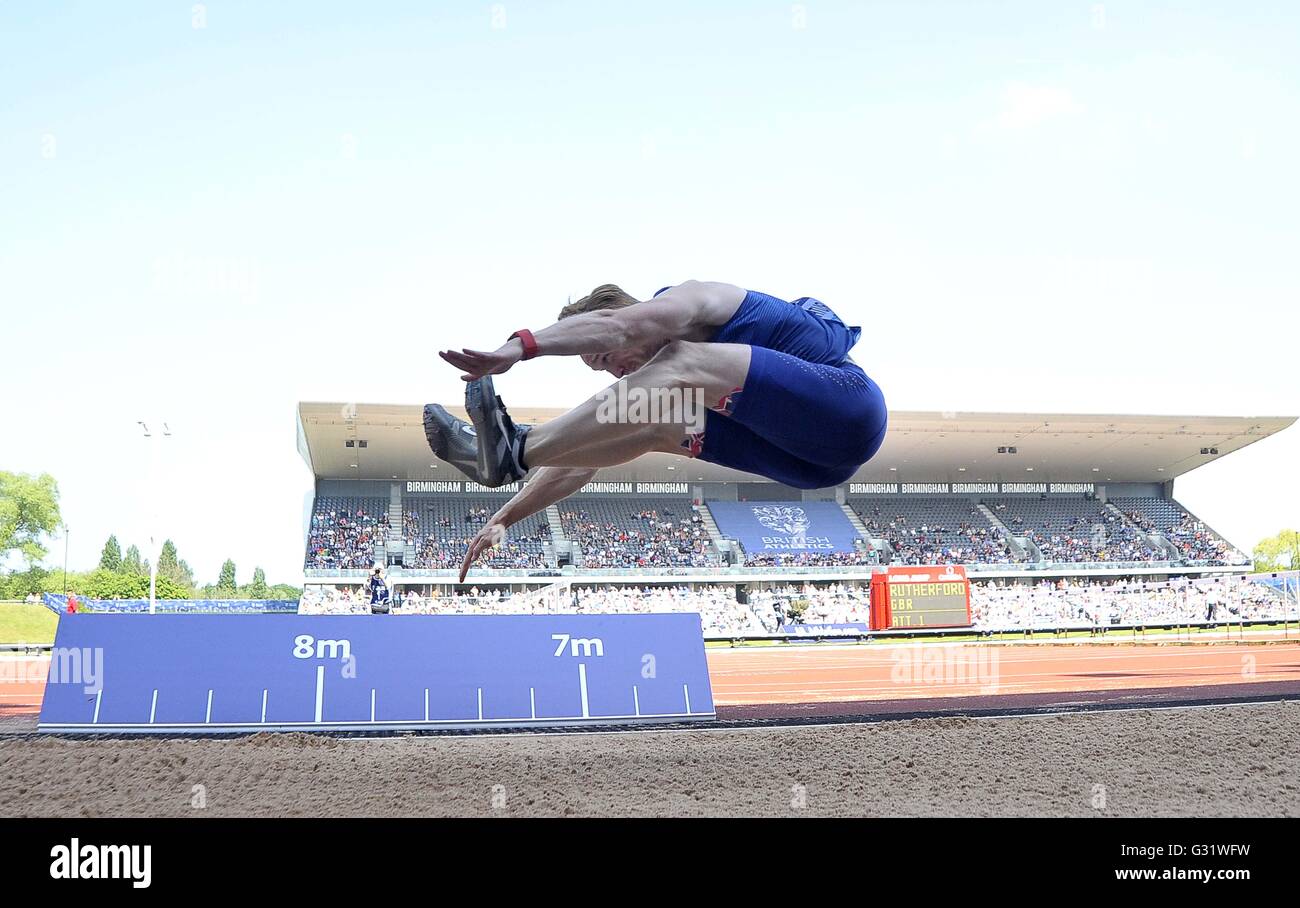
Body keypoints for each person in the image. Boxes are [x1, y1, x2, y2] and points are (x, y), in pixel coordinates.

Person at [425, 280, 888, 581]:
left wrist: (522, 348)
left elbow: (619, 325)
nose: (614, 374)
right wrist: (505, 516)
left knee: (676, 366)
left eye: (605, 359)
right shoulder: (668, 385)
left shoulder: (691, 302)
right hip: (807, 466)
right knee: (655, 421)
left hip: (848, 409)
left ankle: (517, 447)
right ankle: (514, 454)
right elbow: (579, 461)